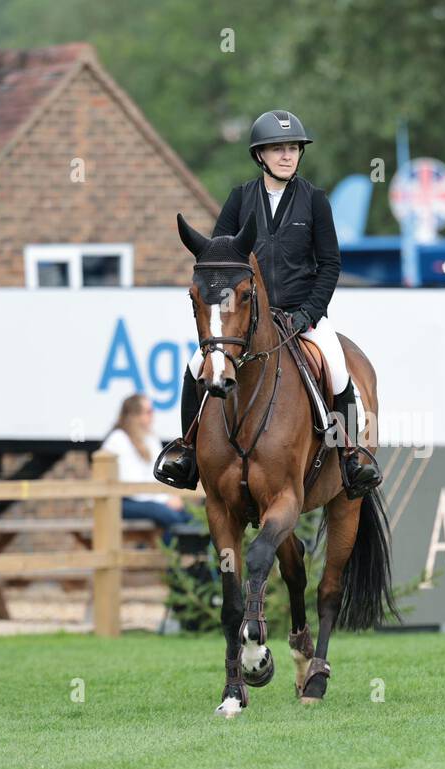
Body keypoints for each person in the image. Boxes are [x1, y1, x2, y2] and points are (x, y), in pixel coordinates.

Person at [156, 109, 381, 497]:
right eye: (278, 149)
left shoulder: (315, 201)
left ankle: (349, 455)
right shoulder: (240, 199)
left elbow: (330, 264)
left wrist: (309, 313)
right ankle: (188, 451)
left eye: (293, 148)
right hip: (248, 318)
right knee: (197, 367)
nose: (287, 156)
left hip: (302, 315)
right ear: (260, 155)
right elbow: (218, 260)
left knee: (339, 368)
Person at [101, 393, 193, 545]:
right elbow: (132, 485)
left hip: (149, 499)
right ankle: (169, 564)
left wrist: (168, 498)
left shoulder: (150, 439)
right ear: (134, 416)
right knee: (170, 516)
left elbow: (157, 476)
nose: (153, 416)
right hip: (124, 501)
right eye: (149, 412)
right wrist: (164, 501)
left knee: (190, 516)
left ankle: (183, 562)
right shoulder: (117, 440)